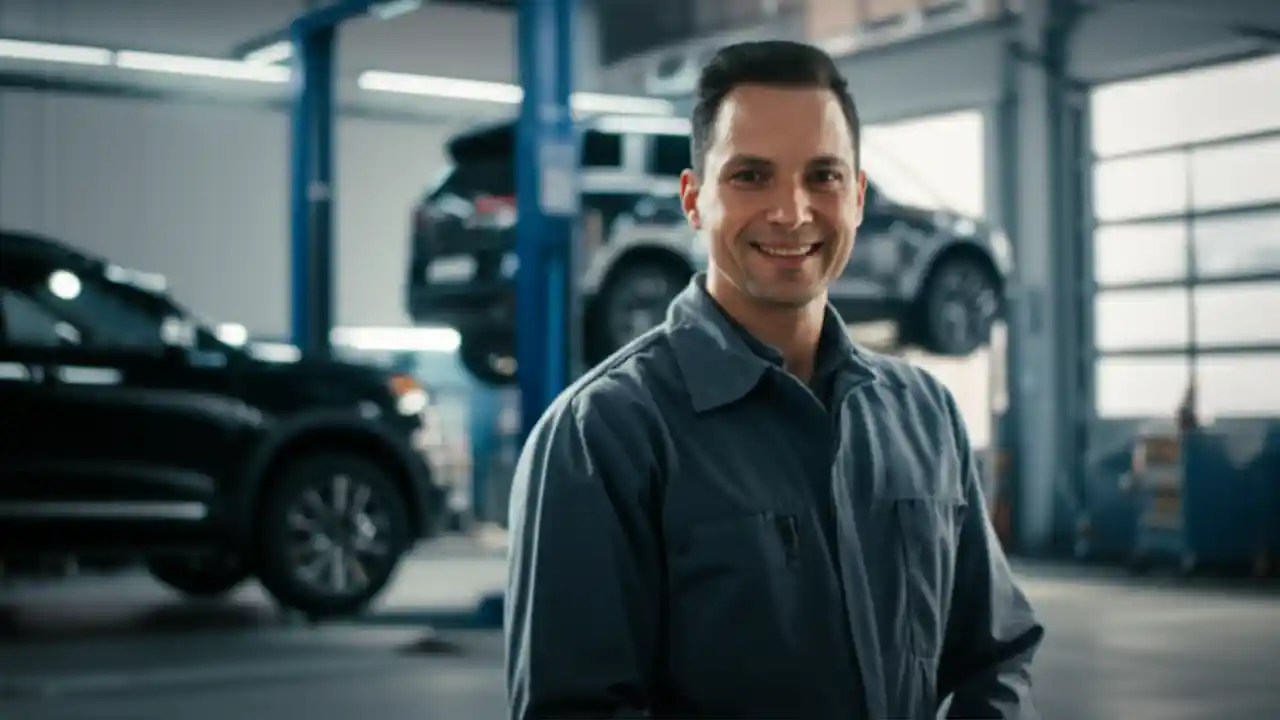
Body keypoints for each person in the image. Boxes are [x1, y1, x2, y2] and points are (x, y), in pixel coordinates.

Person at [505, 40, 1044, 720]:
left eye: (823, 176)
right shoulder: (602, 436)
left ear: (856, 198)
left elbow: (996, 656)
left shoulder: (924, 415)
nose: (792, 211)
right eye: (751, 176)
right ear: (694, 200)